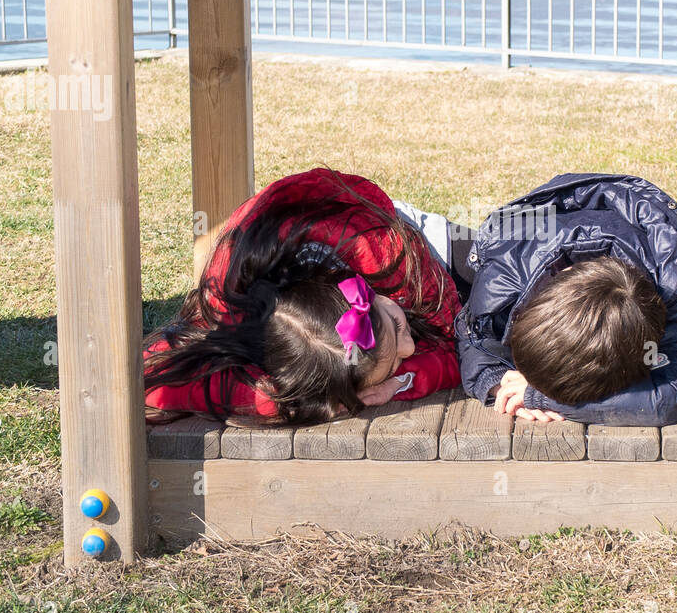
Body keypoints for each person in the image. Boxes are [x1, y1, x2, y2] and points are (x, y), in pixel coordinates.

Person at [144, 167, 463, 426]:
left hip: (425, 243)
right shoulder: (230, 315)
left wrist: (400, 378)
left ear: (366, 291)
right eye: (394, 364)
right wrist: (287, 399)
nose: (408, 348)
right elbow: (147, 381)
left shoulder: (386, 252)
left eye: (395, 325)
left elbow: (459, 345)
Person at [455, 173, 677, 426]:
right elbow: (473, 333)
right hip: (536, 234)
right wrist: (496, 378)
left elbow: (673, 396)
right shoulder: (505, 275)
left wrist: (542, 397)